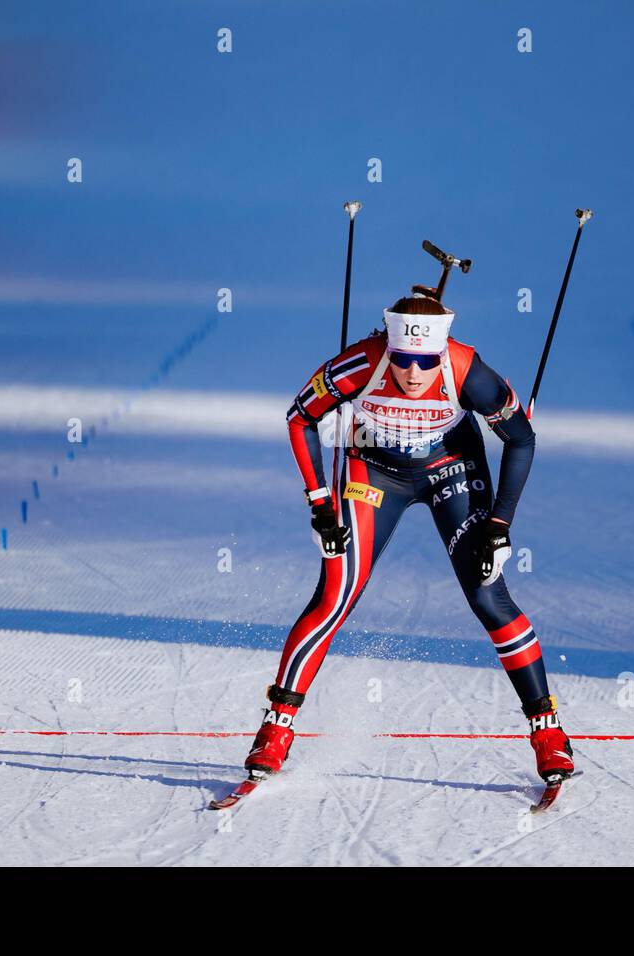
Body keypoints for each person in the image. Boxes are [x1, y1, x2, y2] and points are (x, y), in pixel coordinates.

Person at [242, 282, 575, 784]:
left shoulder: (465, 369)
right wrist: (320, 504)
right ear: (388, 347)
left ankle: (547, 731)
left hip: (450, 468)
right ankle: (276, 726)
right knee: (335, 595)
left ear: (439, 350)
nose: (414, 372)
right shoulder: (361, 363)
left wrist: (500, 525)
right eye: (402, 359)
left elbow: (521, 439)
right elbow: (300, 418)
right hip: (374, 472)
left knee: (489, 597)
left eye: (424, 361)